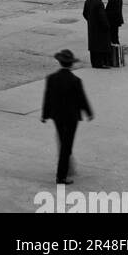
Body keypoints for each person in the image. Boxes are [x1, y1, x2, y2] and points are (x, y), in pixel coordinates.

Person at [41, 49, 94, 185]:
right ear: (71, 64)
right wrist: (88, 113)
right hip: (71, 117)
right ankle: (61, 176)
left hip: (57, 116)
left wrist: (45, 115)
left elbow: (47, 98)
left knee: (63, 141)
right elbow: (82, 99)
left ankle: (65, 167)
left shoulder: (51, 78)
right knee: (67, 145)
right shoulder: (75, 81)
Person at [82, 0, 111, 69]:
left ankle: (94, 63)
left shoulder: (88, 0)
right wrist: (107, 26)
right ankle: (100, 64)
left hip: (91, 27)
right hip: (100, 28)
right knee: (101, 45)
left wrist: (90, 21)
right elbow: (102, 17)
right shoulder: (99, 3)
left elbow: (84, 14)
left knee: (93, 46)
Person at [105, 0, 124, 64]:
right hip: (115, 22)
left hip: (113, 22)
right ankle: (117, 58)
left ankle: (116, 59)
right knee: (114, 38)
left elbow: (112, 12)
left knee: (114, 39)